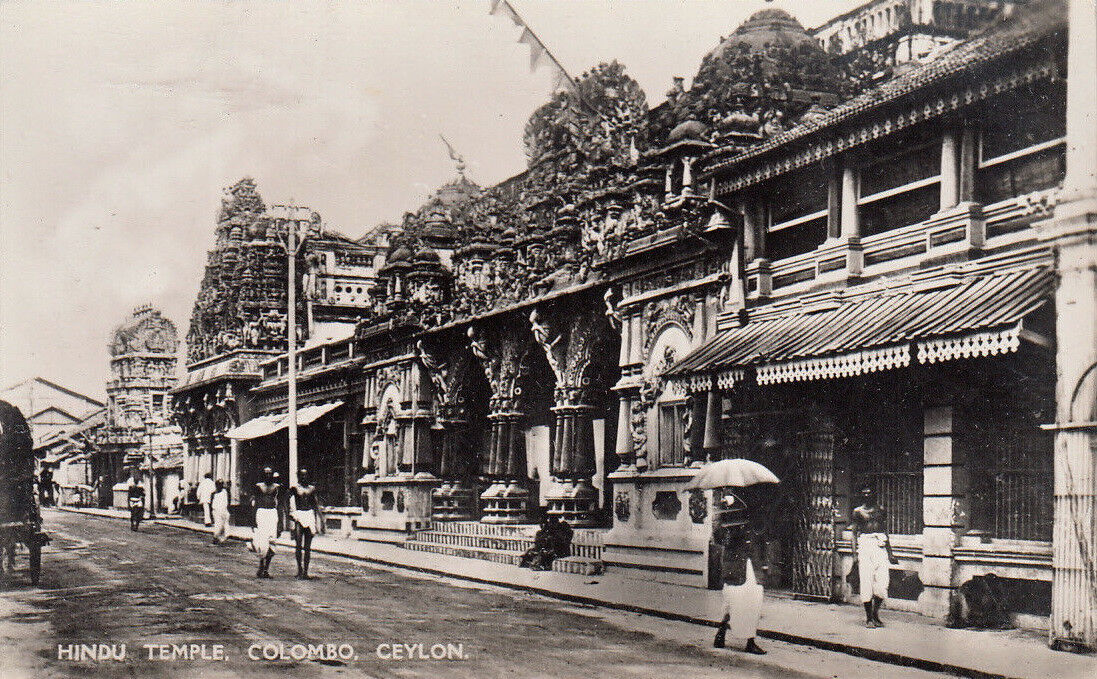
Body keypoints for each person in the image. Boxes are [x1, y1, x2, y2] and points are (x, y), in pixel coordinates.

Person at [713, 493, 766, 655]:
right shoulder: (725, 510)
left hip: (748, 563)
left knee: (752, 600)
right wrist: (728, 528)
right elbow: (720, 538)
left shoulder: (746, 503)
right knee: (732, 599)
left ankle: (749, 640)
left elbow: (758, 530)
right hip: (735, 564)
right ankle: (722, 632)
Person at [851, 485, 898, 628]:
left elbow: (885, 531)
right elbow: (854, 534)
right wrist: (854, 555)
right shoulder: (858, 512)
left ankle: (875, 612)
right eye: (864, 493)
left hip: (880, 546)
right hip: (865, 546)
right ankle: (868, 618)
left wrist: (890, 553)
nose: (867, 495)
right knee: (866, 581)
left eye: (869, 493)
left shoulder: (881, 510)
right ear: (861, 495)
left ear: (874, 495)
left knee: (883, 582)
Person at [288, 469, 323, 579]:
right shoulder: (295, 488)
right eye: (301, 475)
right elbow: (285, 499)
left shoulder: (312, 489)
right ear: (299, 476)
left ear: (308, 476)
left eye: (305, 475)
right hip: (299, 515)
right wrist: (289, 513)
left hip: (309, 515)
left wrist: (320, 519)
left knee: (307, 547)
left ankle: (306, 572)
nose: (304, 477)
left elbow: (315, 504)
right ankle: (299, 570)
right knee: (298, 544)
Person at [252, 467, 281, 578]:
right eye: (266, 473)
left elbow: (279, 505)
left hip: (272, 514)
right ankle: (261, 565)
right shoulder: (259, 487)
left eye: (270, 473)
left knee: (271, 541)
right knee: (262, 542)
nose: (268, 476)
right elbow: (255, 503)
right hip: (261, 514)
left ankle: (266, 569)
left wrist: (280, 523)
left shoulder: (277, 488)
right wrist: (253, 521)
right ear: (263, 475)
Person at [211, 479, 230, 544]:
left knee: (224, 524)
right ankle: (216, 537)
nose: (219, 486)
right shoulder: (214, 494)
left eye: (221, 485)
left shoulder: (225, 492)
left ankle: (224, 536)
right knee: (218, 524)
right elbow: (212, 503)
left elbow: (227, 502)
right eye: (218, 485)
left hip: (224, 510)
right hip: (217, 511)